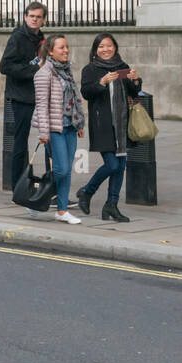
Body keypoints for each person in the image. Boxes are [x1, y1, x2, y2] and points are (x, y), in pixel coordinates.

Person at [77, 33, 142, 223]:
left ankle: (111, 206)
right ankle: (87, 191)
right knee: (112, 164)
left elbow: (134, 91)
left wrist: (136, 80)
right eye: (101, 46)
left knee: (120, 166)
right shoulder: (90, 69)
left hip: (122, 123)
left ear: (115, 47)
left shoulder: (122, 66)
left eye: (109, 46)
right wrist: (102, 83)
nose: (106, 49)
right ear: (95, 49)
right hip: (103, 124)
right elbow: (87, 93)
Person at [33, 34, 84, 225]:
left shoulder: (66, 71)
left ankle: (62, 211)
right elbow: (41, 105)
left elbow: (75, 99)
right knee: (61, 170)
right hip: (54, 129)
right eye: (61, 48)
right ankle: (38, 197)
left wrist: (79, 123)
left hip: (70, 126)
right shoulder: (43, 74)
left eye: (67, 47)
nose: (66, 50)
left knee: (67, 170)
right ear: (50, 51)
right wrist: (44, 133)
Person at [0, 1, 46, 188]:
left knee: (49, 137)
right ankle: (18, 184)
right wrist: (33, 69)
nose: (34, 20)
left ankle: (39, 180)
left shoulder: (41, 39)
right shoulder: (18, 38)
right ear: (25, 17)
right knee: (20, 141)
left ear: (43, 20)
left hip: (39, 95)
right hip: (21, 97)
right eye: (31, 16)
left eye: (38, 17)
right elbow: (5, 66)